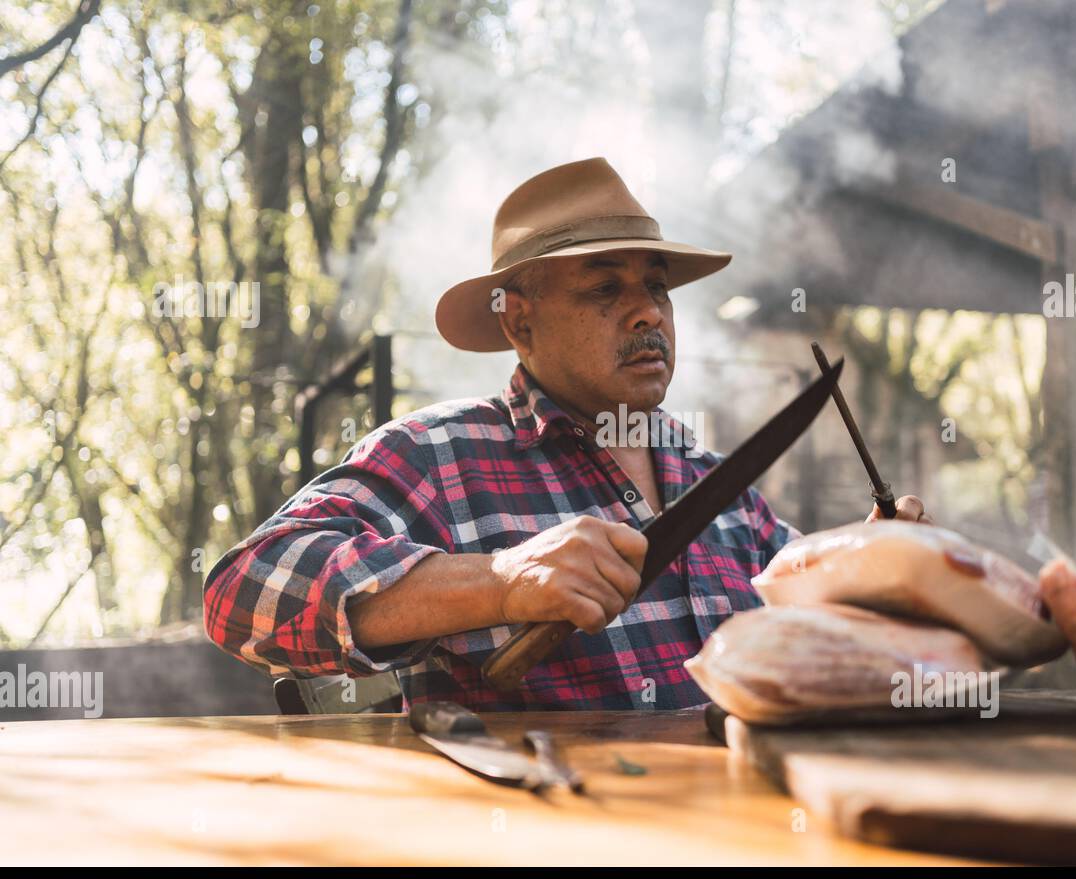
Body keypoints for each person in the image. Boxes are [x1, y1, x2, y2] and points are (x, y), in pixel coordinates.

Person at [203, 157, 927, 710]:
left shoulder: (723, 491)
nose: (648, 313)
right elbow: (241, 591)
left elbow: (816, 641)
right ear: (520, 322)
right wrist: (501, 580)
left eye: (657, 286)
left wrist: (870, 572)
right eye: (605, 287)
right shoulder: (441, 457)